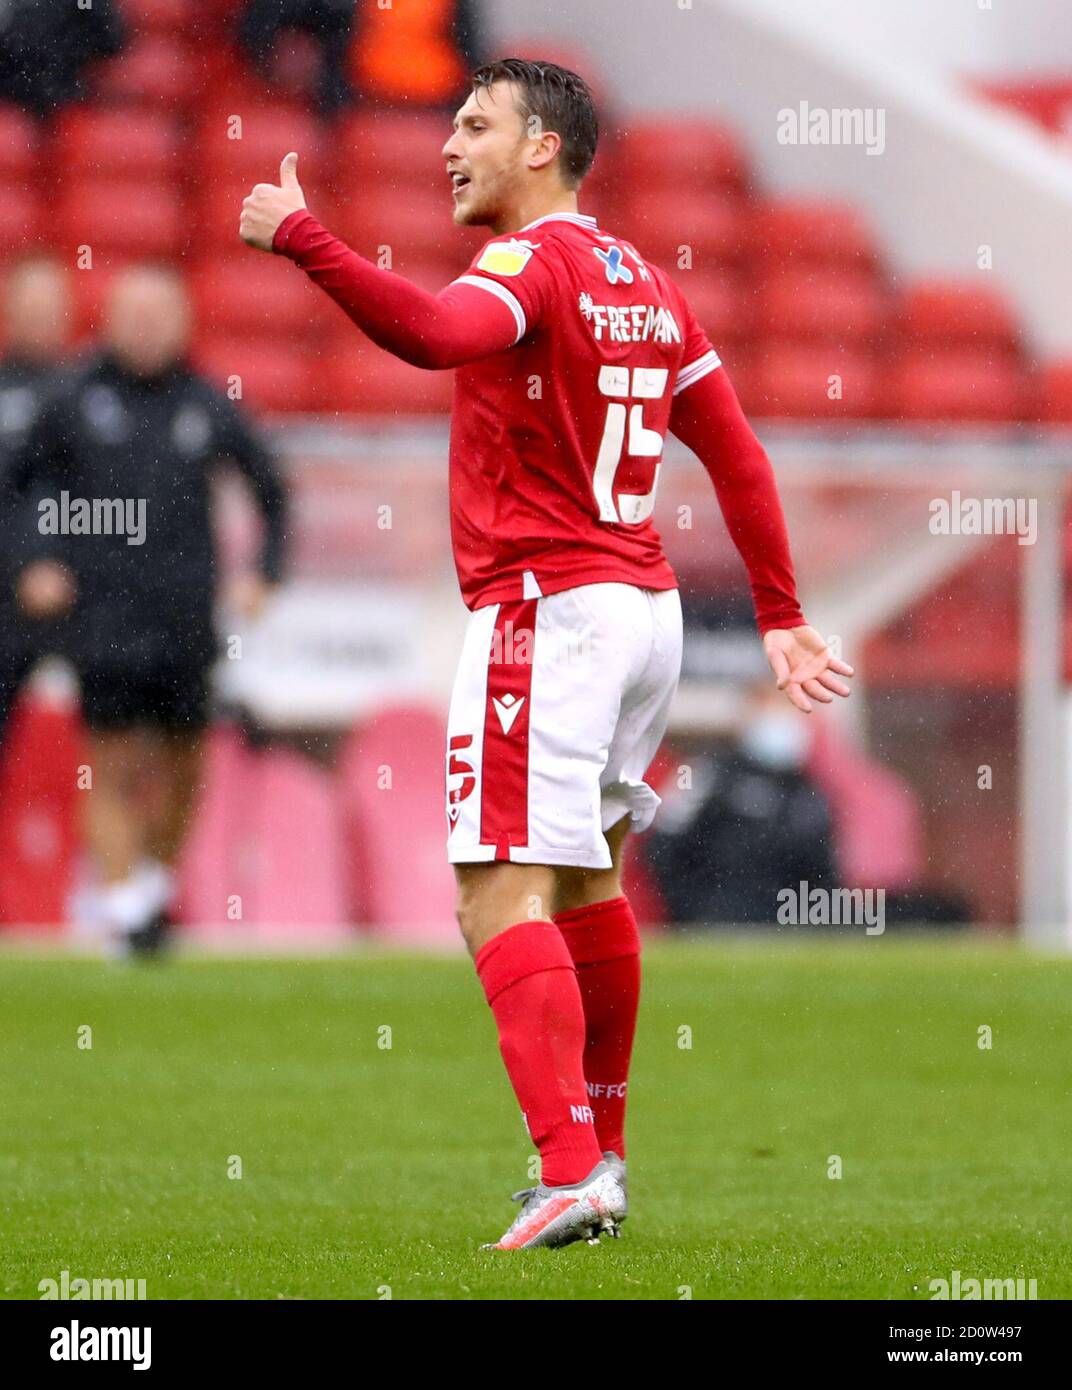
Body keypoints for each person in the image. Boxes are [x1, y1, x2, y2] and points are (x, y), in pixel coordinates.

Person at [240, 57, 853, 1249]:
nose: (448, 146)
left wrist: (305, 238)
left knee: (491, 892)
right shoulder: (649, 283)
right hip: (645, 611)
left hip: (550, 610)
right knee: (586, 886)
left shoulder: (529, 264)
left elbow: (429, 333)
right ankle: (604, 1154)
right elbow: (736, 456)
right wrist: (777, 610)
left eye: (476, 124)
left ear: (542, 148)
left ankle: (569, 1164)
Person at [16, 266, 287, 955]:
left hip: (185, 615)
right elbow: (20, 487)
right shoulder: (70, 397)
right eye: (133, 313)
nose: (146, 327)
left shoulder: (206, 402)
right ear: (107, 319)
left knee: (186, 761)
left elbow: (271, 487)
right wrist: (36, 559)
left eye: (160, 313)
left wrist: (263, 573)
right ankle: (122, 903)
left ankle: (151, 889)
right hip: (103, 615)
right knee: (108, 759)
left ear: (184, 321)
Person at [645, 681, 838, 925]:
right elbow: (663, 849)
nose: (781, 722)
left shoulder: (807, 790)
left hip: (786, 929)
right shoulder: (706, 775)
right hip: (714, 923)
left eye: (789, 711)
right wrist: (693, 910)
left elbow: (822, 870)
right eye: (771, 709)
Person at [0, 256, 74, 753]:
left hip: (82, 597)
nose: (40, 317)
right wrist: (23, 567)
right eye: (30, 306)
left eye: (50, 307)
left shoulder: (94, 392)